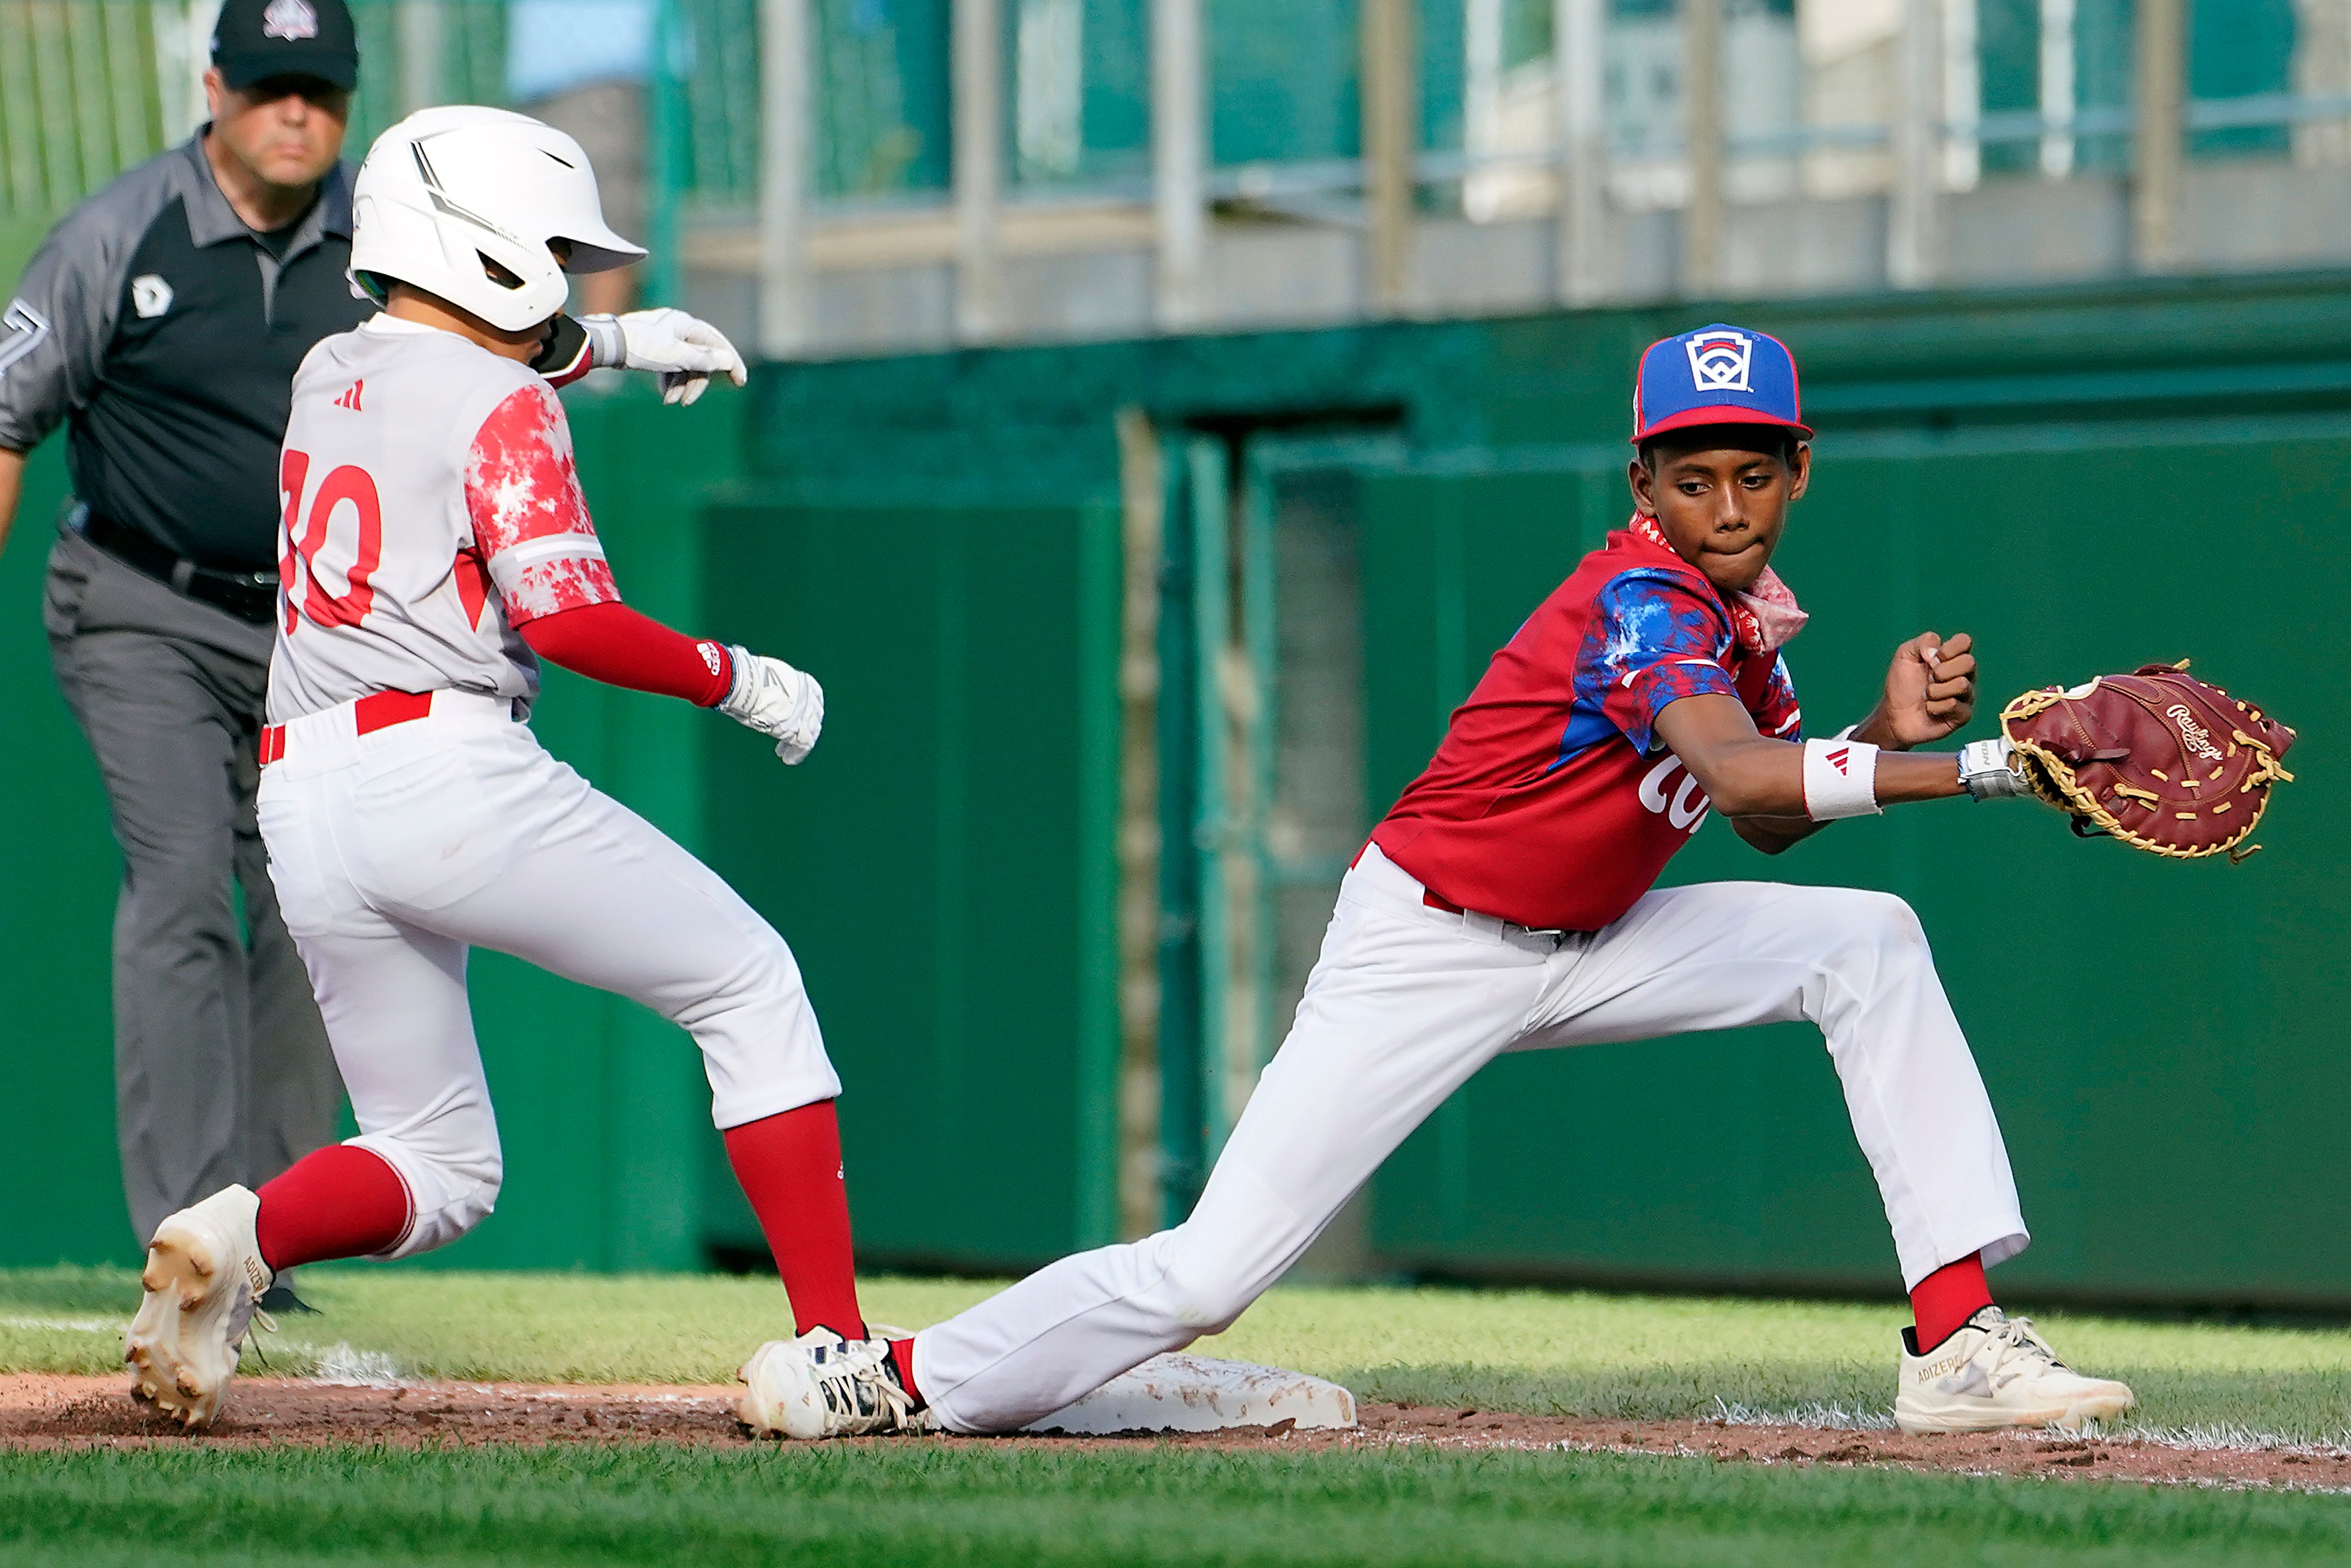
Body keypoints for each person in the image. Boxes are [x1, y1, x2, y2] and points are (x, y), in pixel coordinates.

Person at [736, 324, 2138, 1442]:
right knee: (1207, 1275)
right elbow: (1747, 785)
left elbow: (1764, 823)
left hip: (1595, 937)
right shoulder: (1640, 601)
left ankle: (1955, 1338)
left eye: (1753, 471)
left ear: (1799, 469)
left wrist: (1883, 740)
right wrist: (1979, 771)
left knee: (1865, 942)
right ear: (1638, 483)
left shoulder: (1741, 629)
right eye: (1691, 474)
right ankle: (902, 1375)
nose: (1726, 504)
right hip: (1431, 945)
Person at [121, 105, 854, 1431]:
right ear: (484, 249)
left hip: (302, 792)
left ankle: (239, 1232)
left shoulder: (328, 369)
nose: (566, 281)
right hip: (444, 771)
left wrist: (618, 345)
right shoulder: (507, 401)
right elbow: (571, 620)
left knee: (438, 1163)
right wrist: (734, 677)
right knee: (751, 985)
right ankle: (840, 1354)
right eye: (551, 253)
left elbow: (439, 368)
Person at [0, 0, 745, 1294]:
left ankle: (253, 1240)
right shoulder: (121, 234)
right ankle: (176, 1231)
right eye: (275, 84)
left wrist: (620, 340)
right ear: (217, 85)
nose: (299, 112)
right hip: (144, 604)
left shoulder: (385, 231)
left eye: (324, 90)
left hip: (311, 629)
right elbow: (9, 420)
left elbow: (492, 335)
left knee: (309, 910)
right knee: (181, 892)